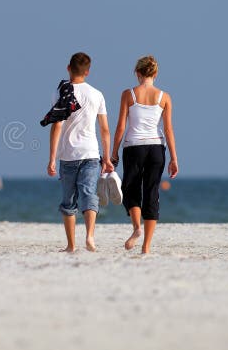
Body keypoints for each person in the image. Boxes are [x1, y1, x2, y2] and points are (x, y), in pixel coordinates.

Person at [111, 55, 179, 254]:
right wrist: (174, 158)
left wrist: (113, 153)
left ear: (137, 73)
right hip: (157, 148)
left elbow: (121, 126)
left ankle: (136, 228)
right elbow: (168, 130)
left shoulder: (128, 94)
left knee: (130, 189)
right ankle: (146, 247)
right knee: (152, 193)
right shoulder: (164, 97)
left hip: (133, 147)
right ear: (155, 74)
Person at [47, 52, 114, 252]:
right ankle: (90, 236)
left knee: (68, 201)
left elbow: (56, 126)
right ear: (87, 71)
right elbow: (104, 130)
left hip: (68, 155)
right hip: (91, 153)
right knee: (88, 194)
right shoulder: (97, 94)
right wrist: (107, 157)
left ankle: (70, 245)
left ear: (68, 68)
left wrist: (51, 158)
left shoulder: (60, 92)